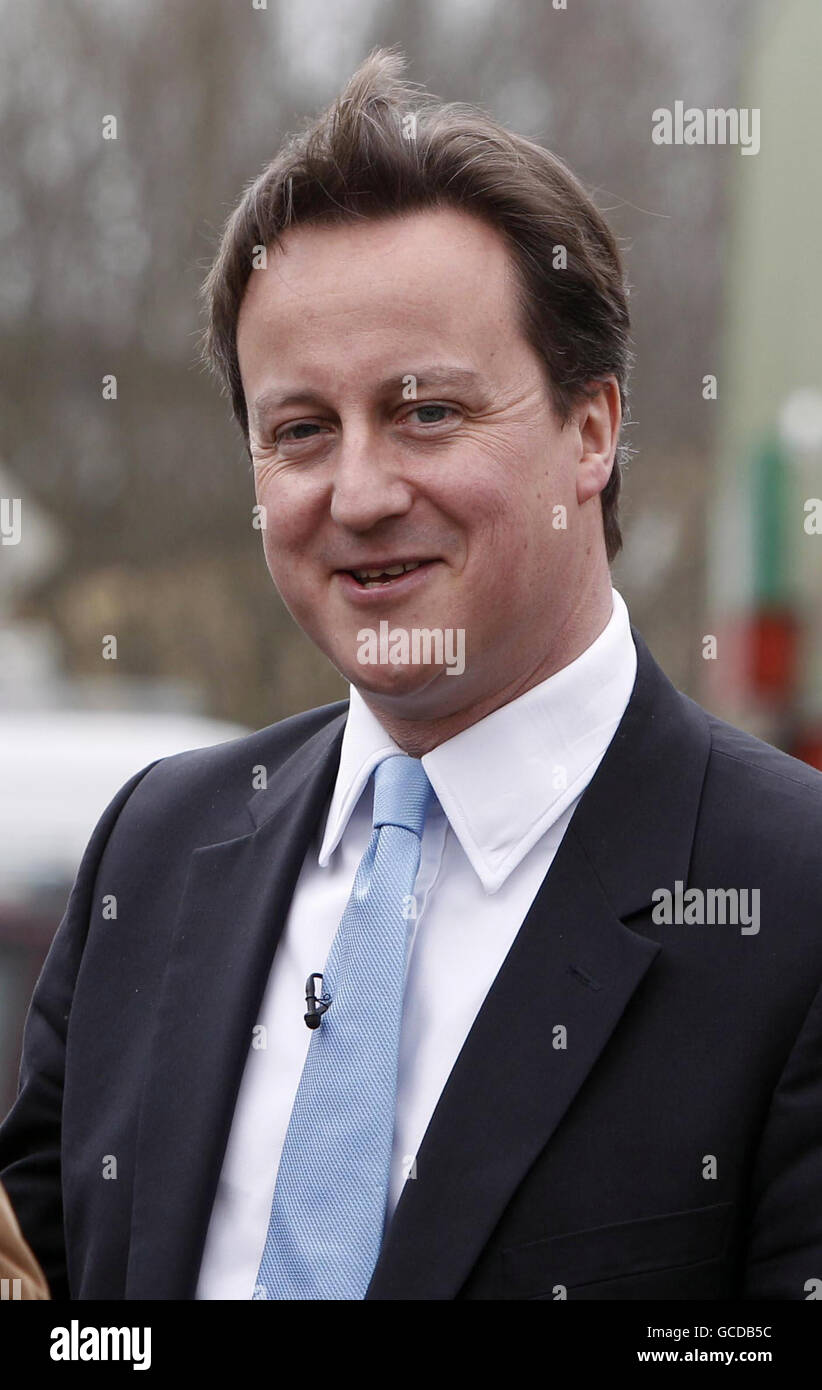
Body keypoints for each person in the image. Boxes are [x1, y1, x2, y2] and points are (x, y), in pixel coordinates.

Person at [1, 47, 821, 1302]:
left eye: (428, 411)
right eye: (301, 432)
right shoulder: (155, 852)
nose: (363, 494)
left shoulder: (791, 901)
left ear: (591, 428)